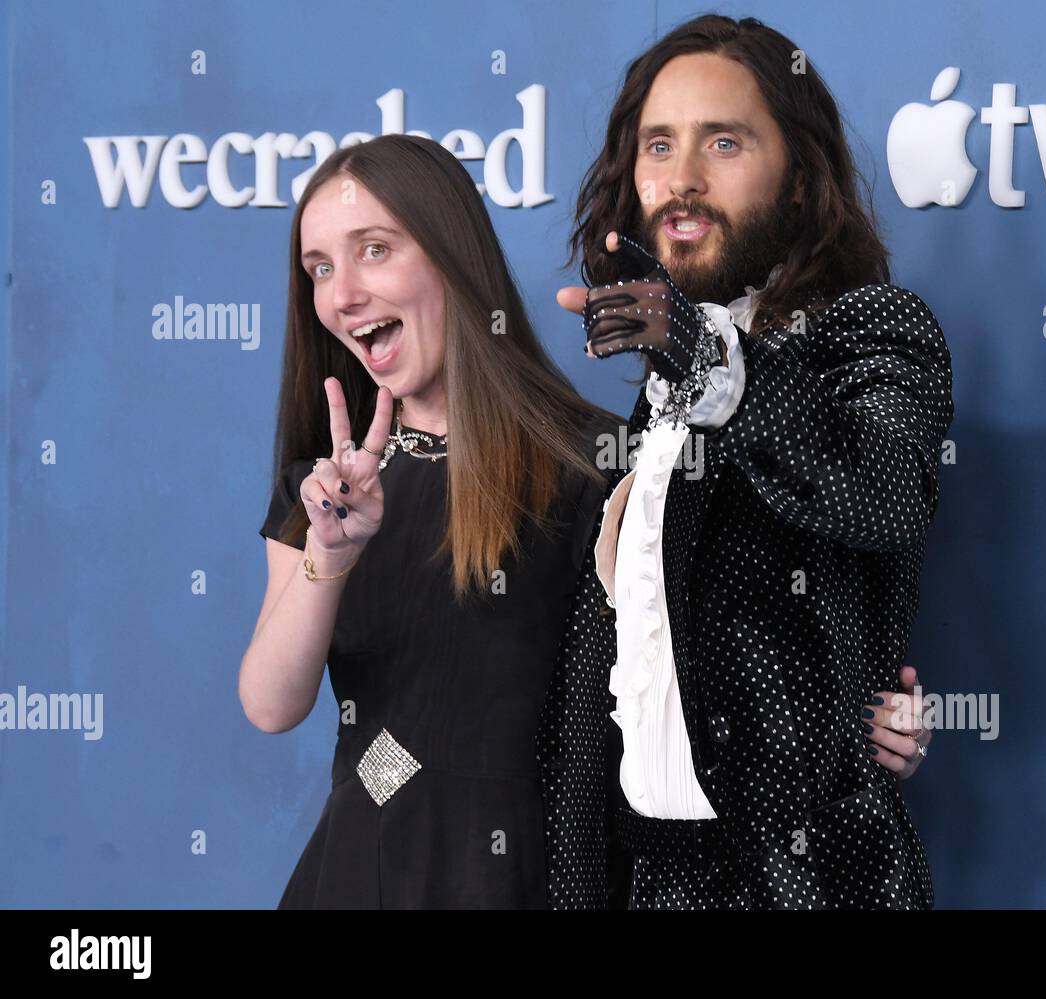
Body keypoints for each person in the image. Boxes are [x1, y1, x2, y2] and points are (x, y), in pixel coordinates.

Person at [540, 14, 954, 908]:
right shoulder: (651, 405)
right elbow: (604, 703)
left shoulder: (873, 335)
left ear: (800, 180)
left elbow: (882, 493)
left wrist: (707, 358)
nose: (681, 181)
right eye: (659, 145)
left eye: (723, 142)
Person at [239, 133, 622, 908]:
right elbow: (271, 704)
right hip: (358, 871)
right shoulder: (319, 488)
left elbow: (682, 688)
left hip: (531, 878)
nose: (341, 294)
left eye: (373, 250)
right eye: (319, 268)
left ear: (454, 255)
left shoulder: (597, 462)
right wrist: (329, 551)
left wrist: (865, 724)